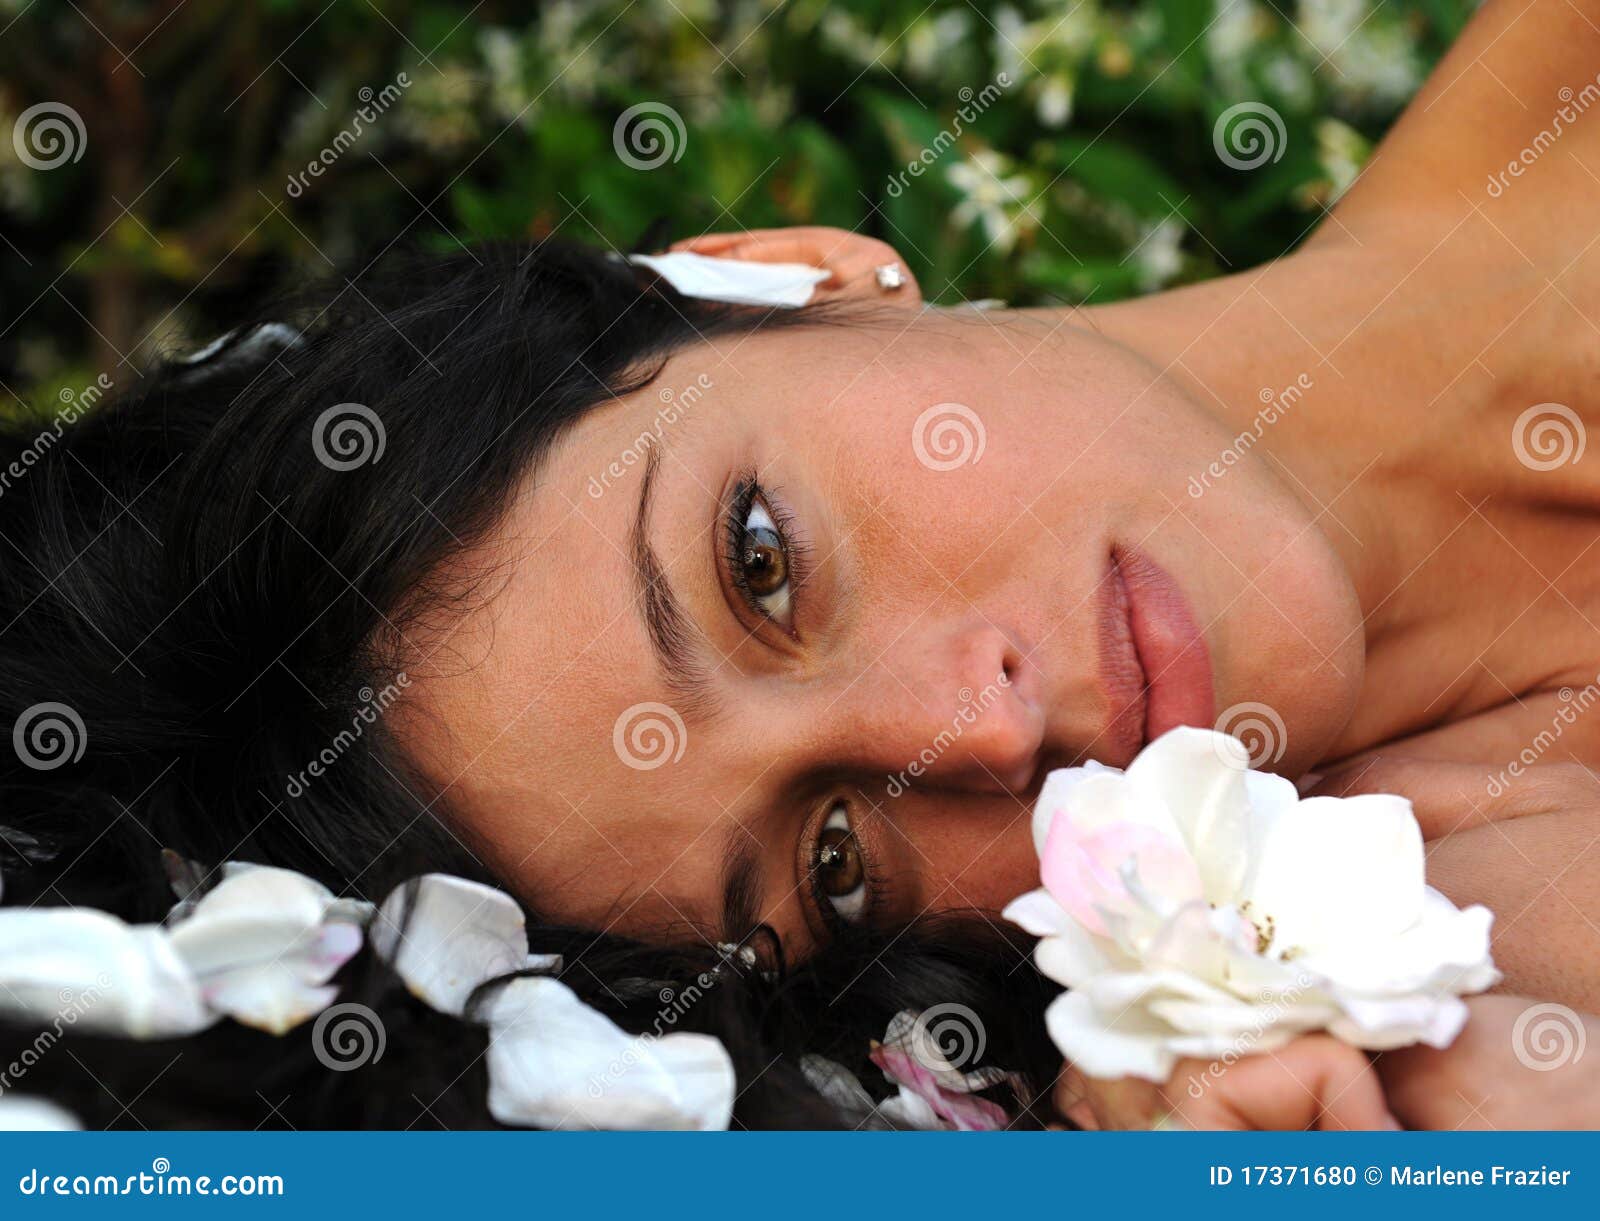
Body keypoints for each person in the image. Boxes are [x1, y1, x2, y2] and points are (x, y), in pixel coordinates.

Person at [4, 0, 1599, 1129]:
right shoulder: (1490, 1031)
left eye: (759, 564)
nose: (968, 736)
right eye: (836, 863)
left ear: (780, 281)